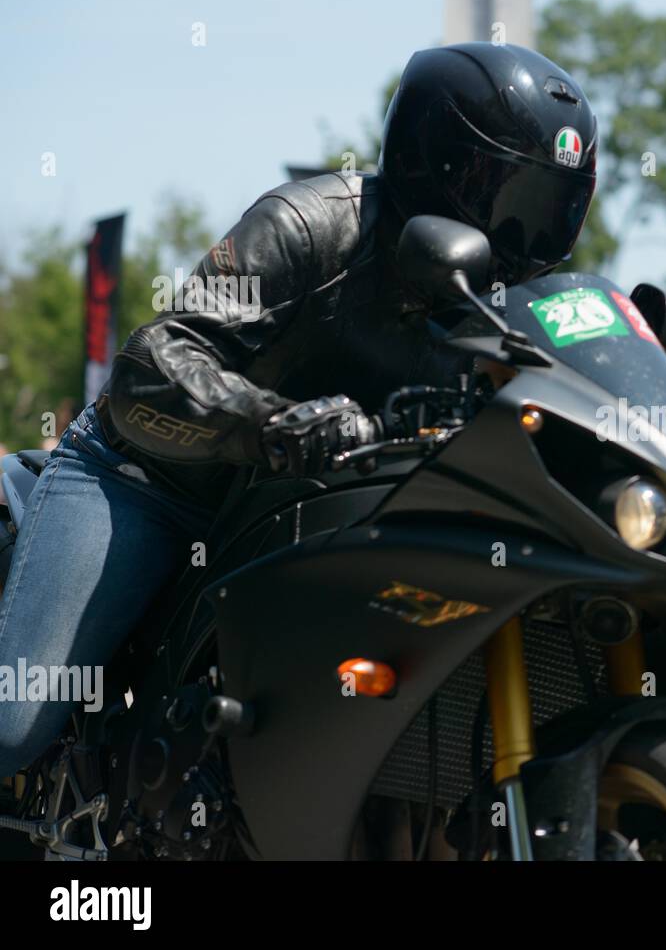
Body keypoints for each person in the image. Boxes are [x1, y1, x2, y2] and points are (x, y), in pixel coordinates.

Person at [0, 43, 599, 777]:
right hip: (150, 485)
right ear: (437, 164)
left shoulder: (501, 304)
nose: (524, 234)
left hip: (312, 516)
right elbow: (150, 367)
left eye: (549, 206)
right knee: (16, 723)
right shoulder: (312, 225)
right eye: (511, 198)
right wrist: (271, 420)